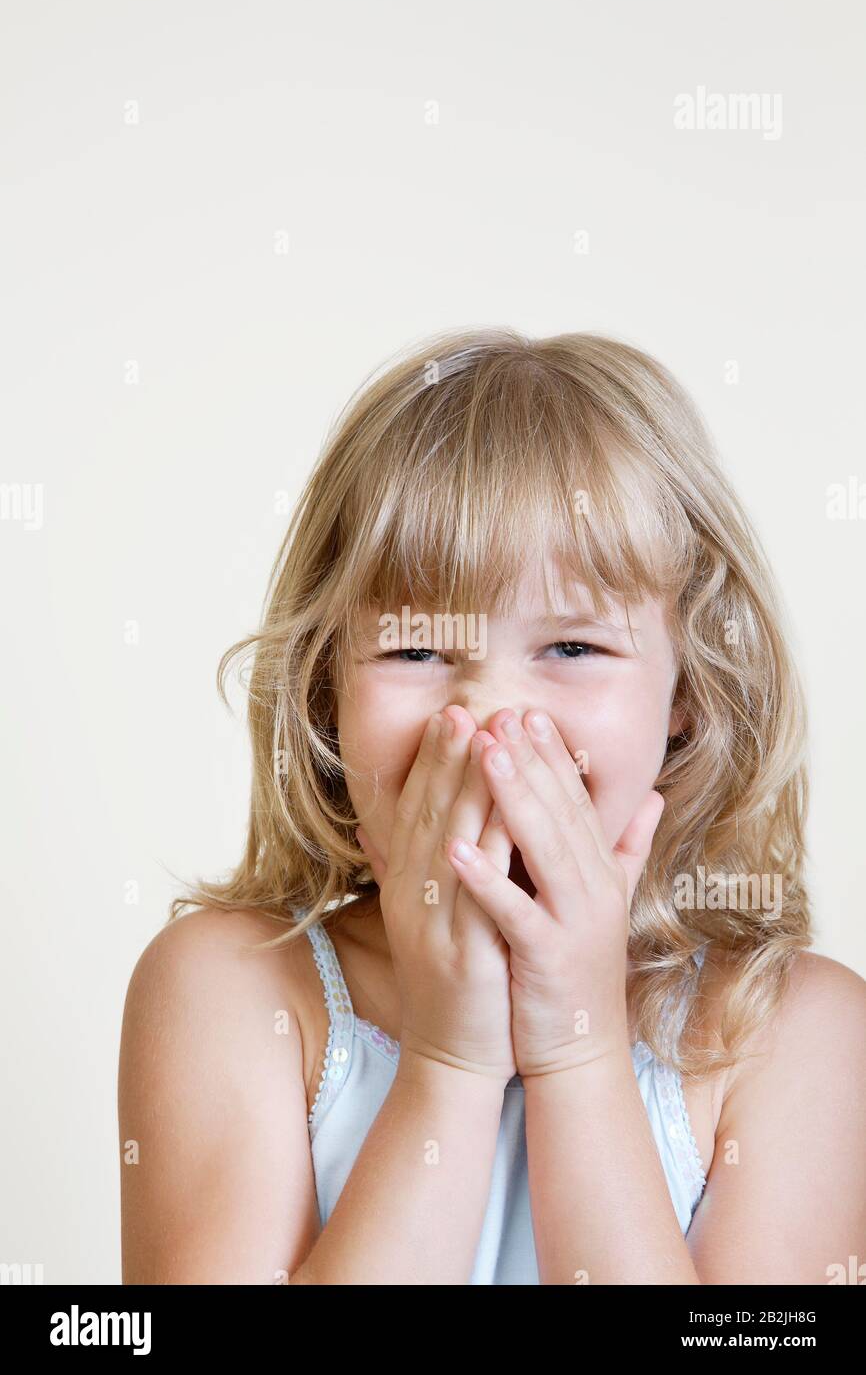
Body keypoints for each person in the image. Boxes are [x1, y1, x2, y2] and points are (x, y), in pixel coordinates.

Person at [118, 328, 866, 1284]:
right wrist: (448, 1065)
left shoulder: (792, 1032)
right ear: (325, 695)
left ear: (688, 694)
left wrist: (578, 1050)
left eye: (573, 647)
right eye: (417, 652)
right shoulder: (232, 990)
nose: (489, 715)